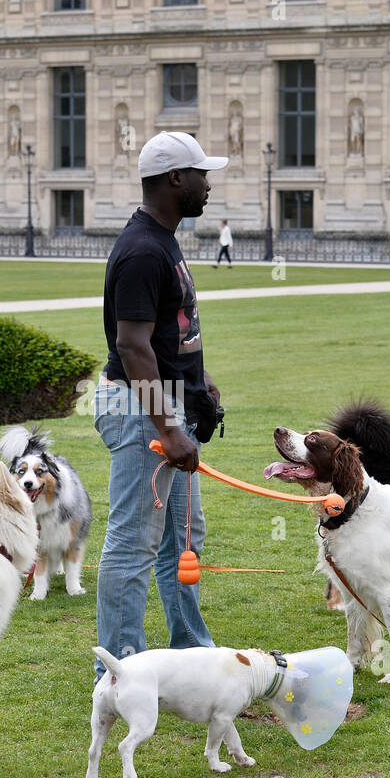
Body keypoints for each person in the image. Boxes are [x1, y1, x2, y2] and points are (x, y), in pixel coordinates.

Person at [93, 131, 228, 681]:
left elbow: (165, 335)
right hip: (142, 411)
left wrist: (198, 380)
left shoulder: (162, 239)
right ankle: (120, 674)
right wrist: (169, 429)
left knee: (182, 542)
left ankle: (192, 654)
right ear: (175, 179)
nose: (208, 183)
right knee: (132, 544)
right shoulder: (143, 250)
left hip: (165, 402)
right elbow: (131, 346)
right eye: (201, 174)